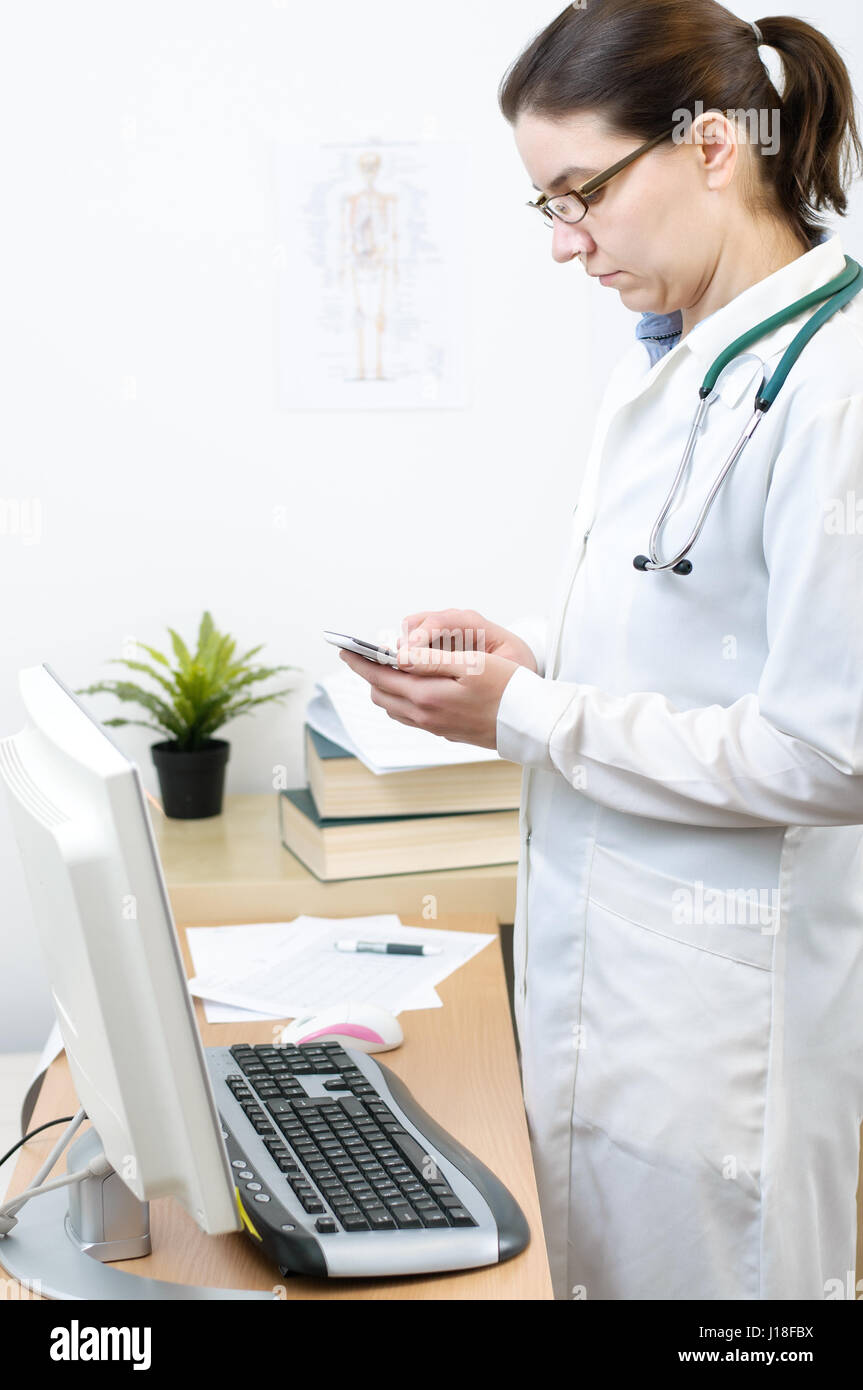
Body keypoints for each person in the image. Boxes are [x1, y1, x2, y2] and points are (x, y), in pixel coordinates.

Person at [339, 0, 863, 1301]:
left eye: (582, 194)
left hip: (722, 1033)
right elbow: (700, 650)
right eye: (546, 207)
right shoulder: (687, 360)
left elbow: (832, 749)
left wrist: (531, 717)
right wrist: (542, 671)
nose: (566, 243)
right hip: (628, 998)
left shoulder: (837, 384)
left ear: (708, 149)